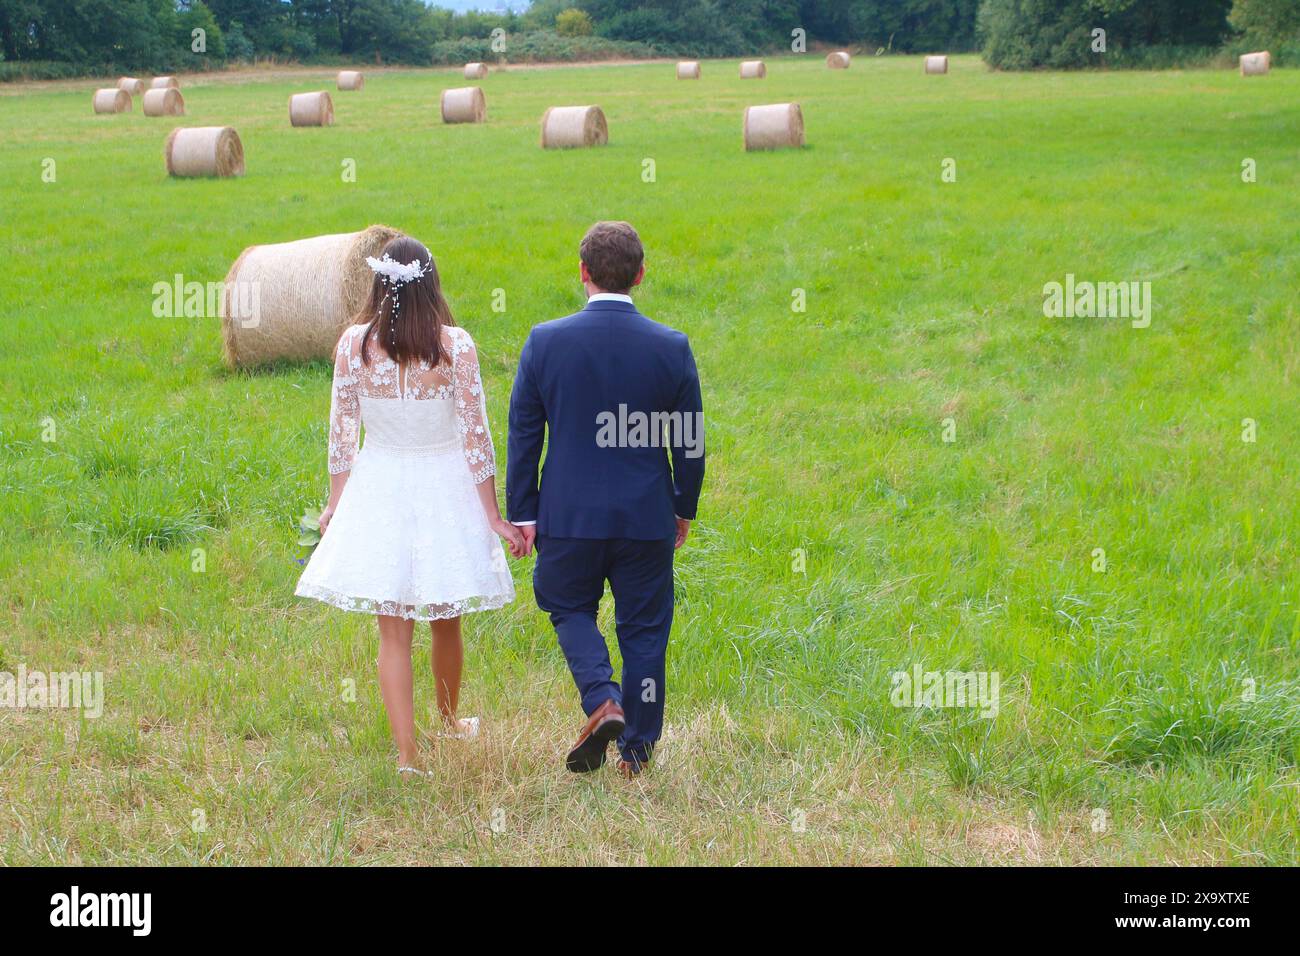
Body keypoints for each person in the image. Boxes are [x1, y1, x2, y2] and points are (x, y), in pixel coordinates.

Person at [296, 235, 522, 777]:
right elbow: (476, 437)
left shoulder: (354, 345)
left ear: (378, 283)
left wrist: (336, 502)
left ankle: (407, 756)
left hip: (380, 483)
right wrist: (492, 514)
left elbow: (341, 434)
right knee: (446, 617)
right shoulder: (455, 346)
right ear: (431, 283)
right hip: (444, 483)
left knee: (392, 628)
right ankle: (446, 722)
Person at [507, 221, 705, 778]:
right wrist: (682, 506)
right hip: (646, 517)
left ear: (583, 273)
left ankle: (601, 700)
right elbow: (688, 441)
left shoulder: (546, 341)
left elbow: (525, 432)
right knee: (644, 631)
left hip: (567, 515)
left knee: (568, 606)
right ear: (641, 275)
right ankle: (636, 754)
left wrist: (523, 512)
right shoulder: (671, 347)